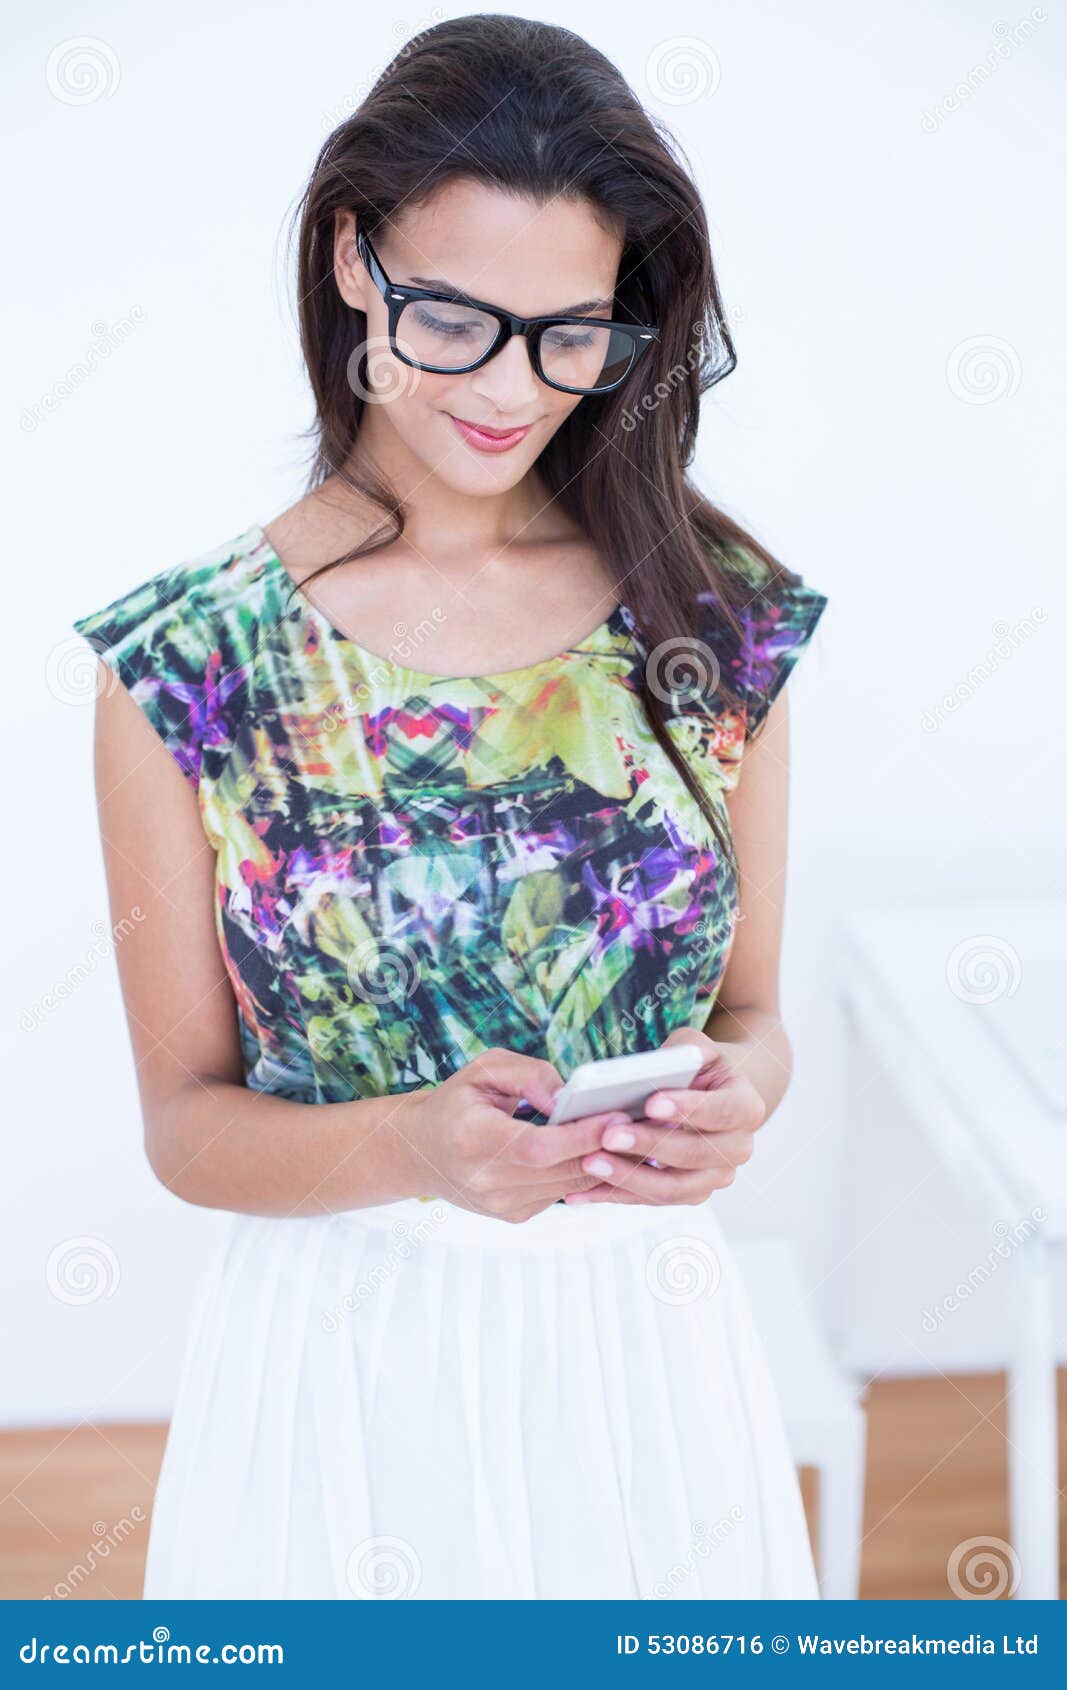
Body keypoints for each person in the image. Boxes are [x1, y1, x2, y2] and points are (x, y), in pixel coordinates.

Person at [72, 15, 828, 1599]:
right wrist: (413, 1143)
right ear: (354, 261)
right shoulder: (191, 663)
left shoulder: (715, 618)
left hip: (650, 1364)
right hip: (339, 1375)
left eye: (572, 335)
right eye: (457, 321)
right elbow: (189, 1130)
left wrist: (737, 1098)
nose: (513, 388)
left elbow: (750, 1014)